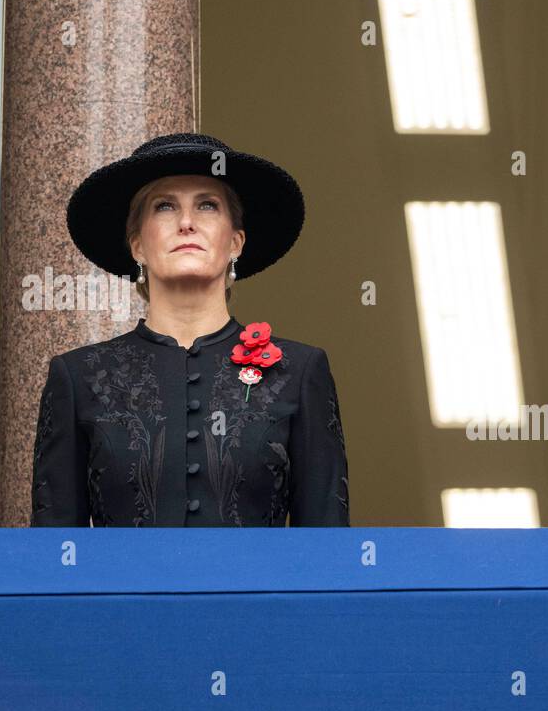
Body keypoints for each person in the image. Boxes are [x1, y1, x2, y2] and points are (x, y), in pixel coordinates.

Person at [32, 132, 349, 527]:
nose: (186, 223)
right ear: (137, 247)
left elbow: (326, 547)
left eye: (207, 205)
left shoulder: (300, 370)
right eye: (164, 206)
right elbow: (55, 552)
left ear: (236, 242)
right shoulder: (77, 377)